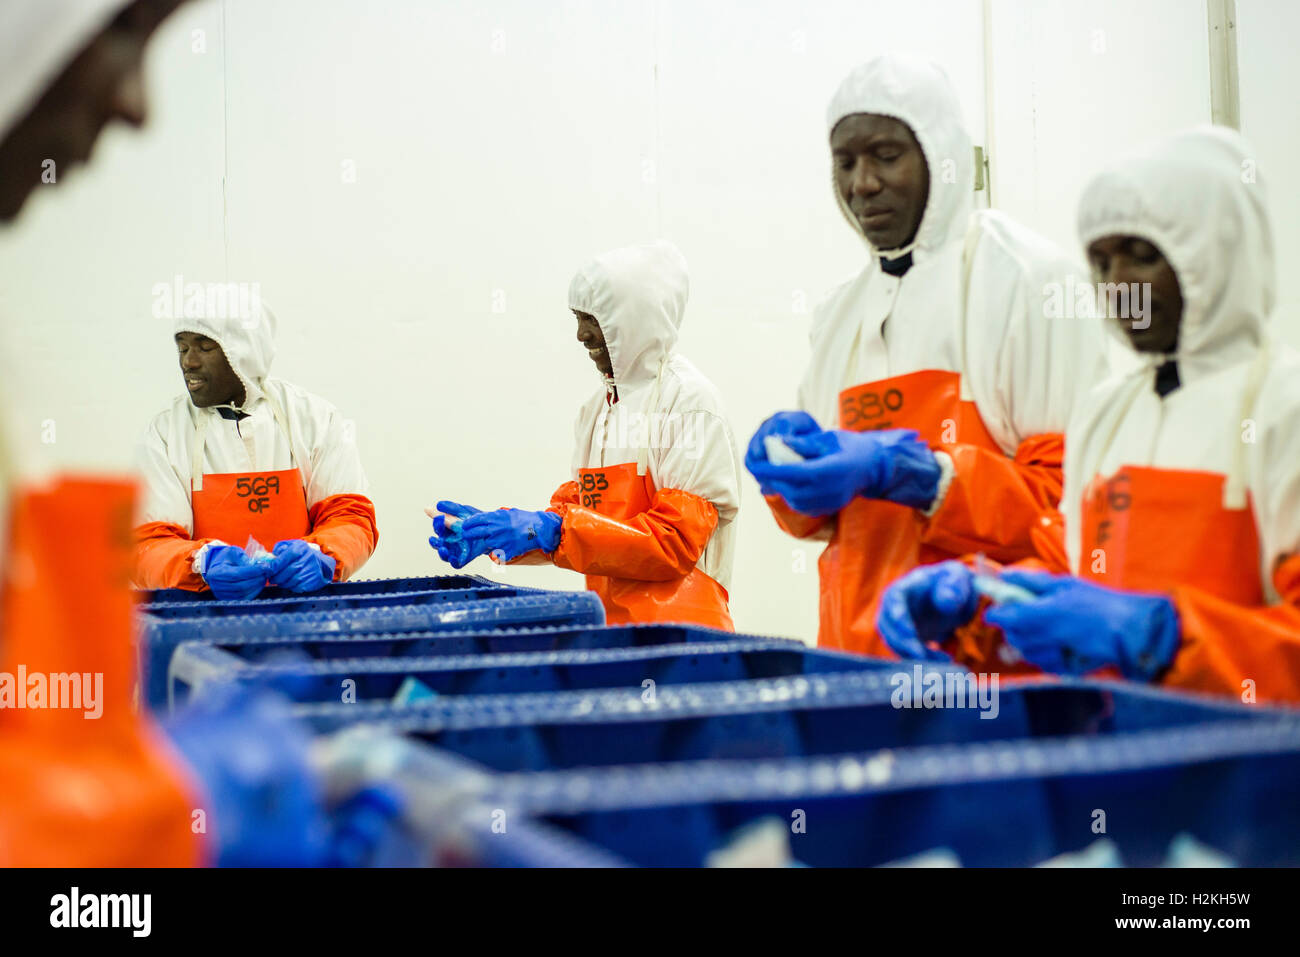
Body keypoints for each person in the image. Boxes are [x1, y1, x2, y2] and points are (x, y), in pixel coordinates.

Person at [877, 126, 1300, 705]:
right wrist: (981, 602)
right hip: (1116, 760)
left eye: (1143, 255)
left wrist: (1161, 639)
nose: (1118, 284)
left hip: (1252, 779)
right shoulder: (1108, 410)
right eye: (1101, 262)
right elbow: (1068, 562)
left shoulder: (1283, 409)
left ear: (1218, 253)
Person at [744, 54, 1106, 656]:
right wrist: (788, 482)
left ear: (942, 158)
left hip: (986, 670)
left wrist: (924, 476)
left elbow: (1072, 507)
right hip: (853, 664)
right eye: (846, 162)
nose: (862, 183)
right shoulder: (839, 317)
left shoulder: (1027, 283)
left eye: (886, 155)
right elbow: (829, 525)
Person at [430, 240, 742, 630]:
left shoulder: (689, 403)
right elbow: (579, 522)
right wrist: (504, 530)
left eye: (593, 319)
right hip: (609, 635)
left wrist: (551, 531)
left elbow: (674, 543)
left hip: (684, 640)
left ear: (634, 321)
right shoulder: (597, 411)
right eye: (577, 318)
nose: (581, 335)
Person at [134, 309, 378, 599]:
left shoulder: (313, 418)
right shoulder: (165, 432)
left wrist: (322, 555)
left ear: (245, 351)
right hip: (200, 621)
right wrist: (202, 565)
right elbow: (146, 545)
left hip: (309, 614)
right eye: (183, 348)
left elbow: (351, 517)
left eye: (205, 346)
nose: (189, 362)